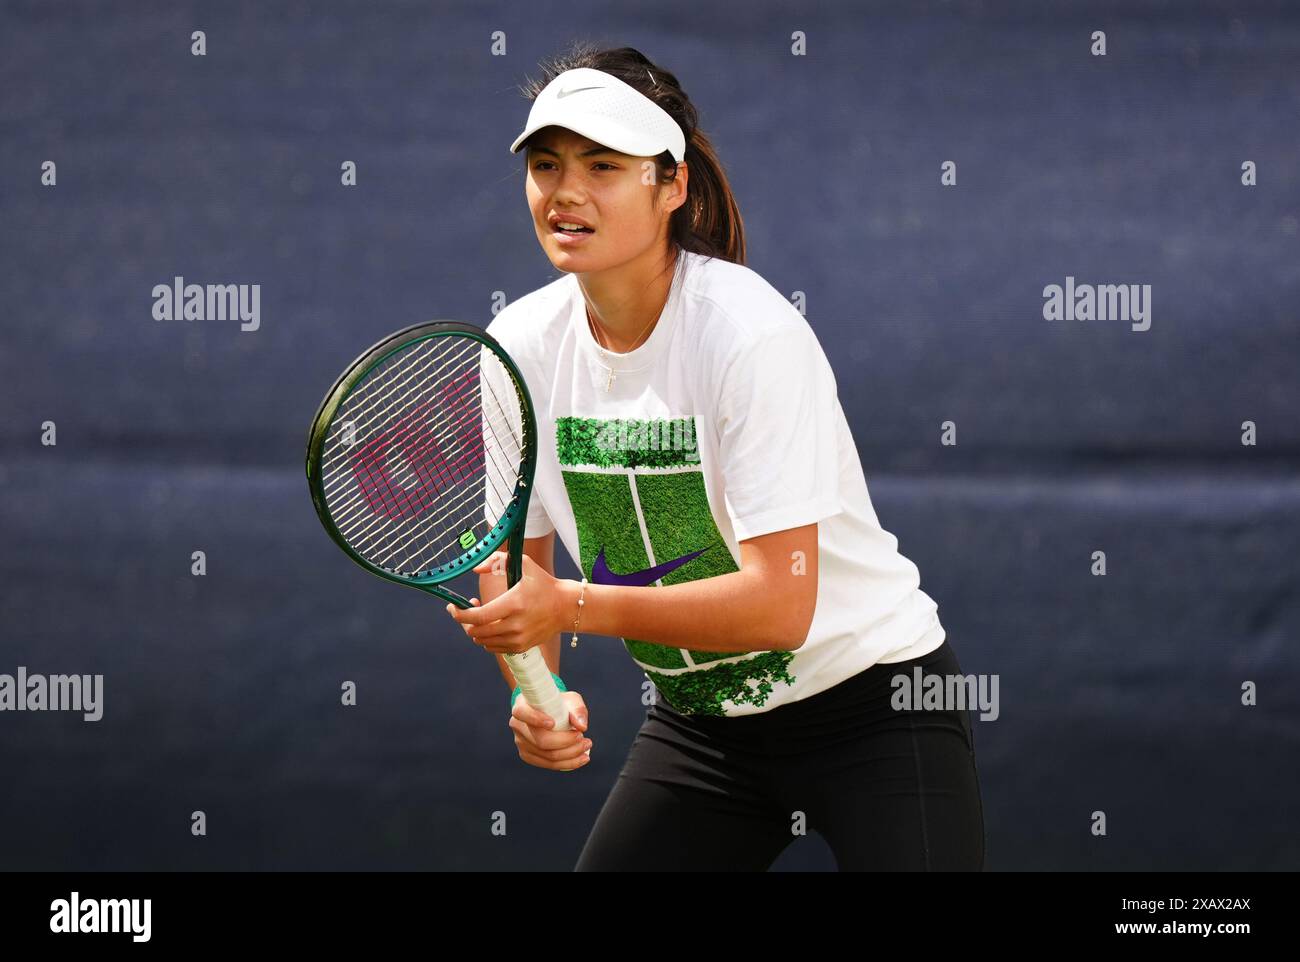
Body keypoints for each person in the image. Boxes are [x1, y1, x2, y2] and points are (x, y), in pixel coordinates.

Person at [447, 42, 985, 871]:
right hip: (704, 727)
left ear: (672, 185)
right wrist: (537, 690)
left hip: (876, 711)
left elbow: (780, 606)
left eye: (604, 165)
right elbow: (520, 558)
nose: (567, 192)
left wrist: (570, 608)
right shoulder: (513, 347)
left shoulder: (750, 333)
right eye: (547, 164)